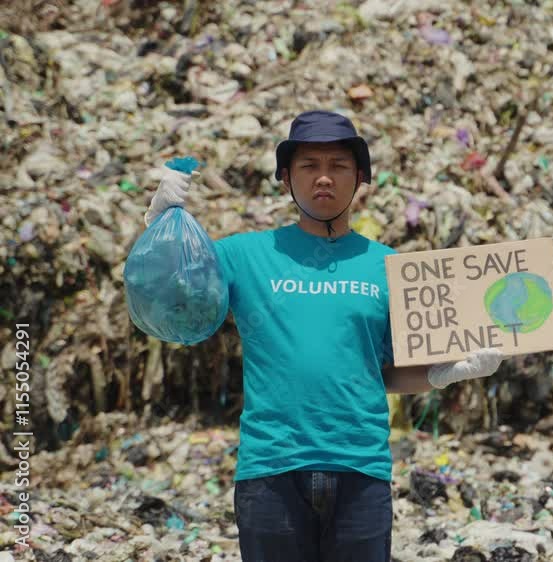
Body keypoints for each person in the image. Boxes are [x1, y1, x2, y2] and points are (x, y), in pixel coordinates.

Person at [144, 110, 504, 562]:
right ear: (286, 178)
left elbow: (384, 373)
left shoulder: (391, 267)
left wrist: (445, 372)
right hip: (271, 470)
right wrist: (159, 224)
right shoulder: (244, 254)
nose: (324, 178)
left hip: (361, 470)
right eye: (309, 165)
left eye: (338, 165)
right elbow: (168, 294)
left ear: (360, 177)